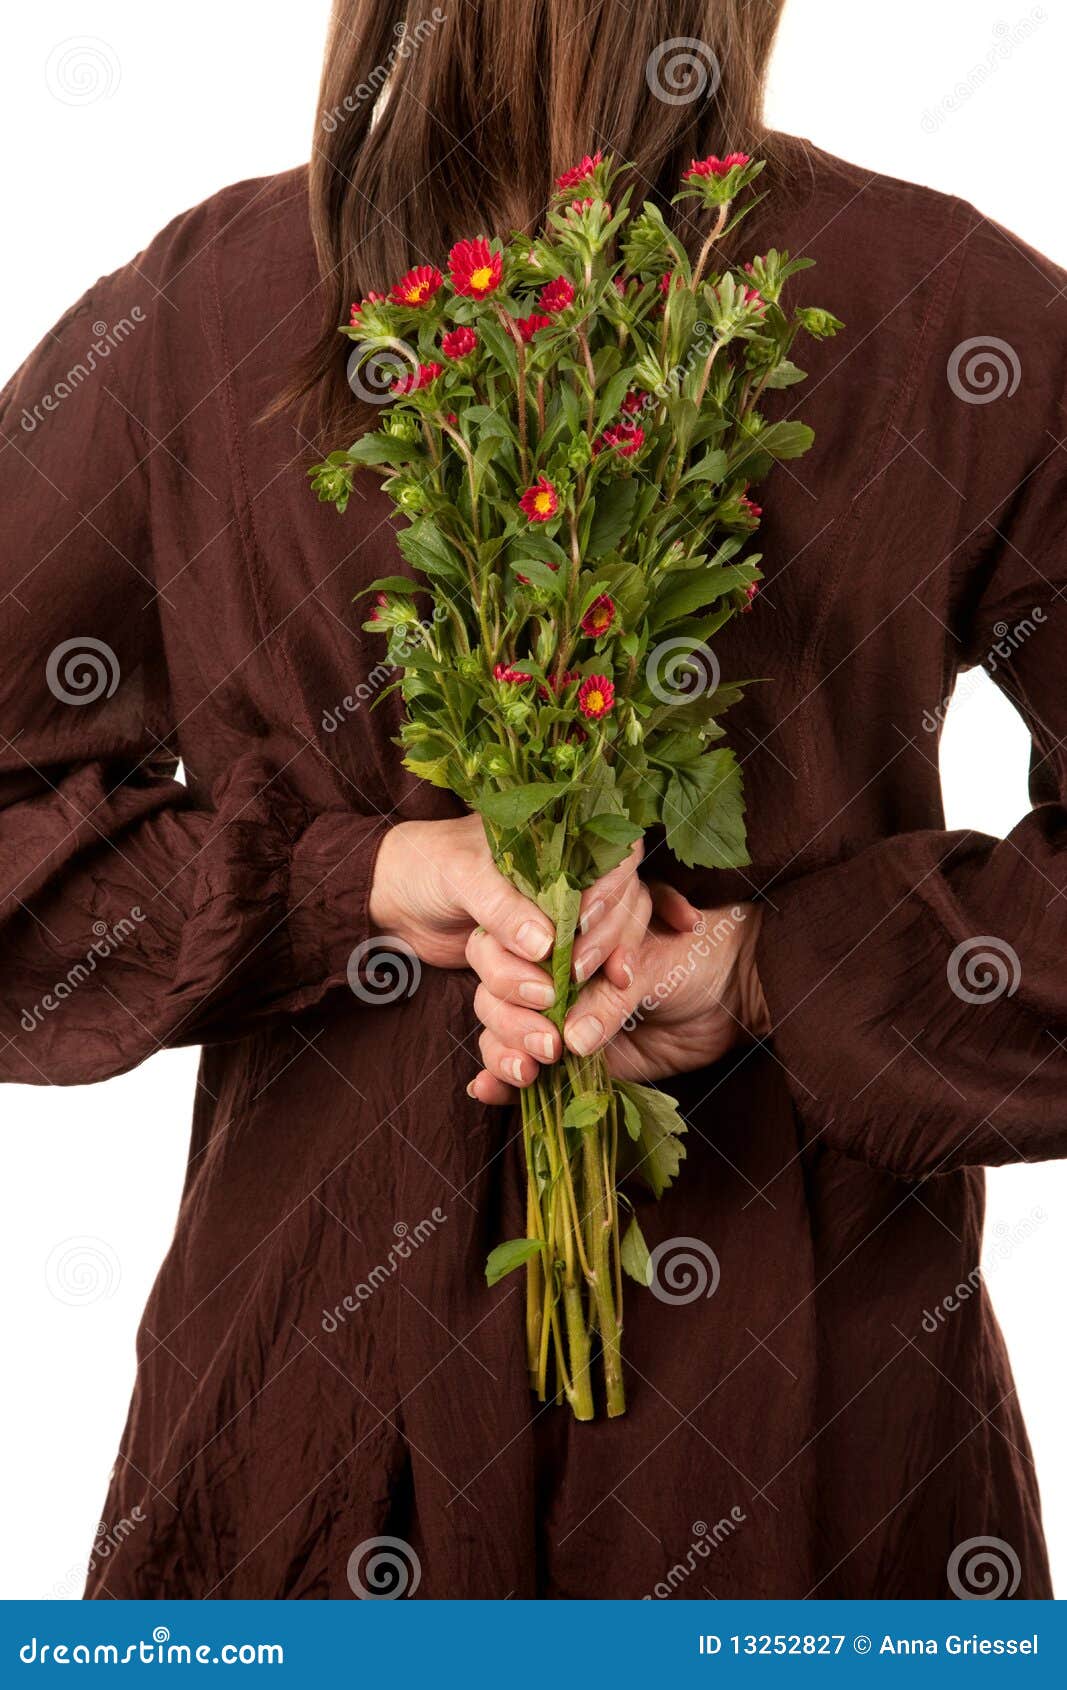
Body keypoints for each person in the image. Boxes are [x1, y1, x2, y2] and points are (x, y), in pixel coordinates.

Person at [1, 0, 1063, 1600]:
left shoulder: (208, 309)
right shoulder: (949, 304)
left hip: (317, 1428)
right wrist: (366, 877)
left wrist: (372, 881)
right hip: (806, 1449)